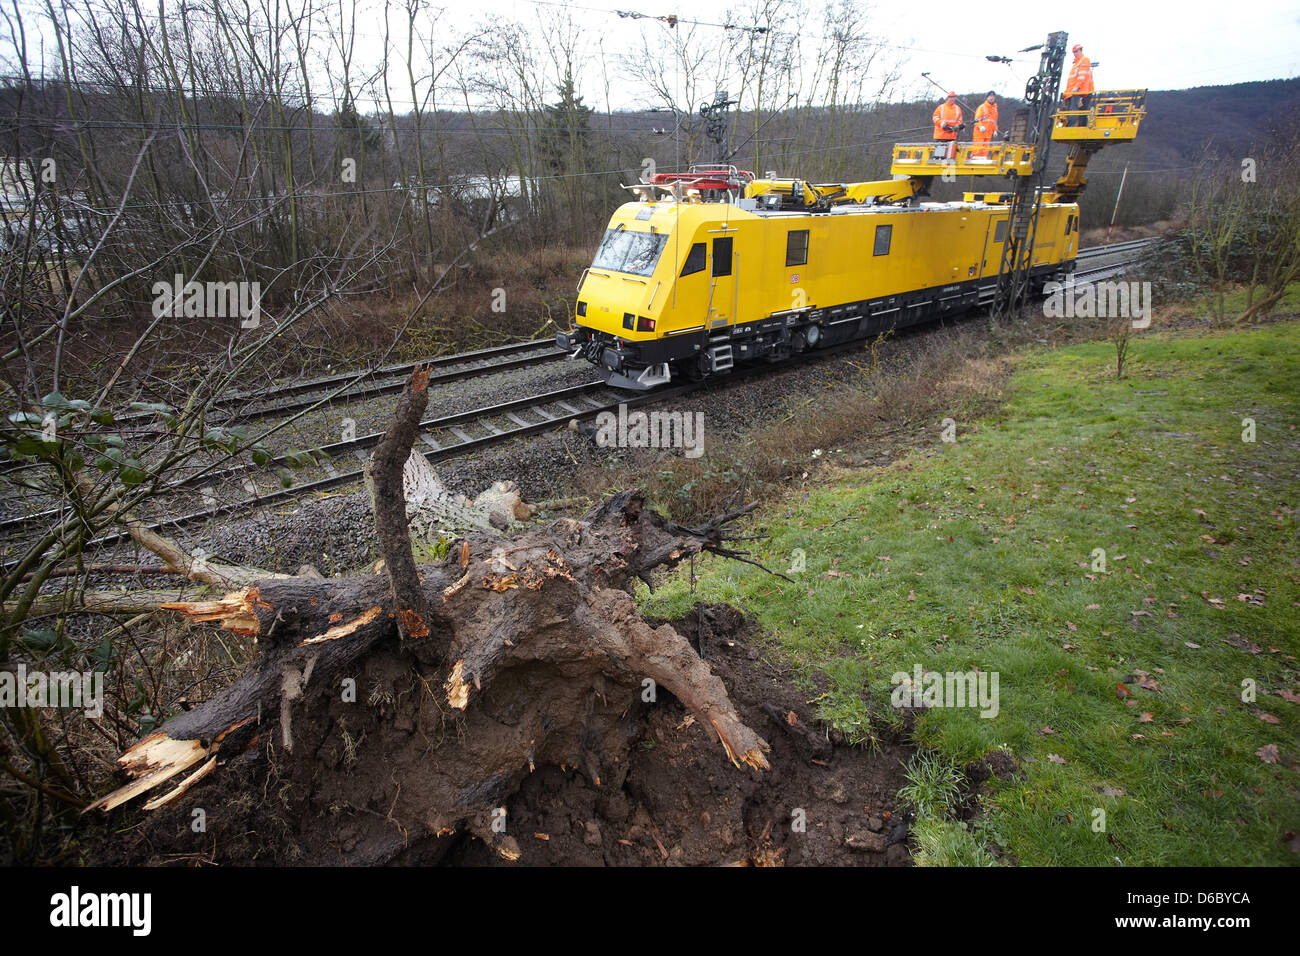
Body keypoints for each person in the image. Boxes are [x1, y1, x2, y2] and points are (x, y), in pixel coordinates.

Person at [1064, 43, 1094, 126]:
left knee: (1074, 109)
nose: (1075, 53)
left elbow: (1082, 76)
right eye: (1074, 52)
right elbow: (1072, 81)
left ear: (1080, 51)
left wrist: (1076, 88)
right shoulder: (1076, 64)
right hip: (1074, 91)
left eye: (1076, 51)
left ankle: (1070, 126)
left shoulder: (1084, 60)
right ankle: (1076, 125)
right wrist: (1067, 92)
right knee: (1077, 110)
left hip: (1079, 91)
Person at [932, 91, 963, 160]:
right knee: (939, 157)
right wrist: (941, 123)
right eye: (950, 97)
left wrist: (957, 126)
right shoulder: (941, 107)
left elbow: (960, 120)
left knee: (950, 158)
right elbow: (935, 117)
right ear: (947, 98)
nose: (952, 99)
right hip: (941, 137)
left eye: (953, 97)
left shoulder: (958, 108)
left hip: (952, 137)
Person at [972, 91, 998, 158]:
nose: (991, 98)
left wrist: (995, 130)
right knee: (978, 150)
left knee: (985, 151)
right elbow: (977, 119)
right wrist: (980, 126)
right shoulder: (982, 107)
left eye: (993, 96)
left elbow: (994, 122)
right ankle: (975, 160)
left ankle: (983, 161)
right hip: (980, 133)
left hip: (988, 134)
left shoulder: (995, 110)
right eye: (990, 96)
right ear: (987, 97)